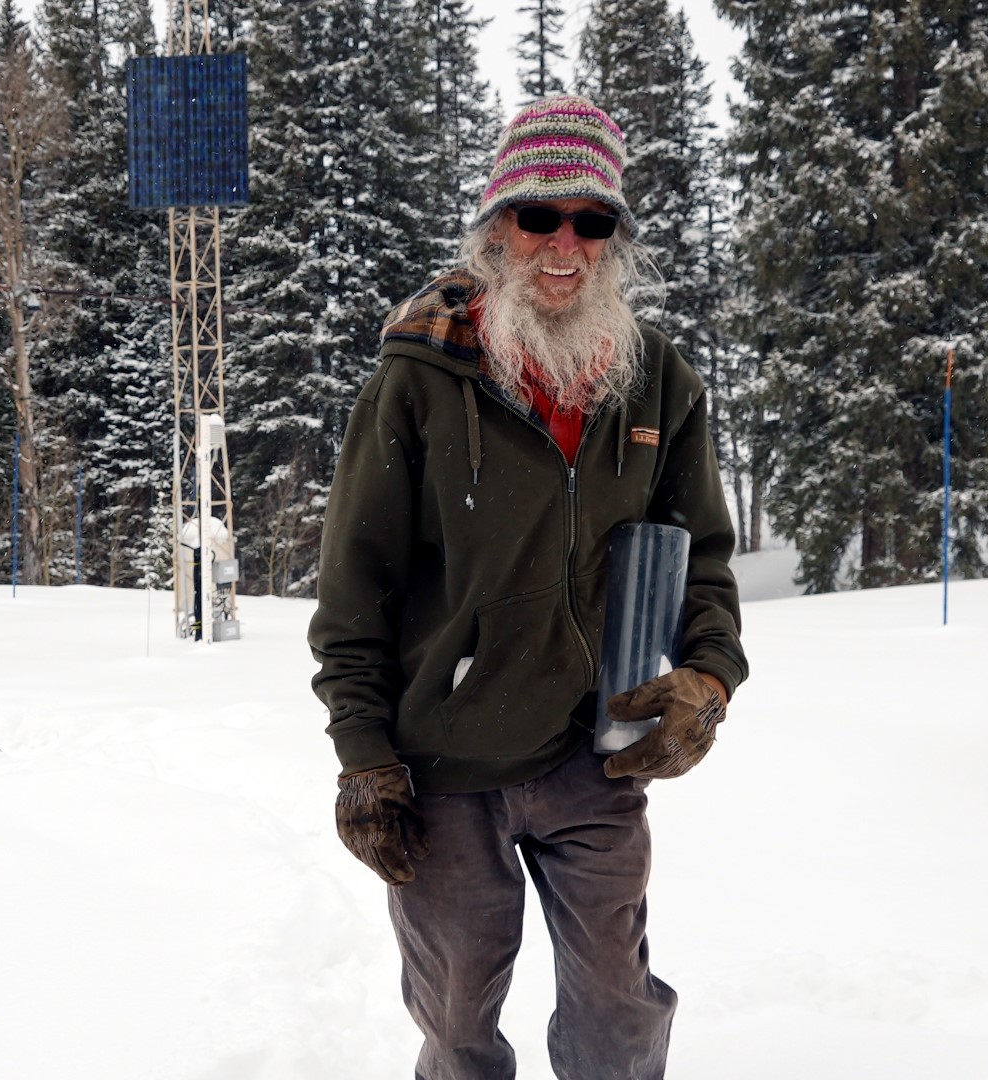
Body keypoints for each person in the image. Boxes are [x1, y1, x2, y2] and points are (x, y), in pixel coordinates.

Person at [307, 95, 749, 1080]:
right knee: (459, 1013)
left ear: (614, 238)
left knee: (616, 1004)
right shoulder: (421, 378)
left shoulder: (656, 384)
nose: (564, 244)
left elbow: (703, 563)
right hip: (445, 769)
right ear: (496, 227)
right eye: (538, 215)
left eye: (592, 220)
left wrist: (704, 683)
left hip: (595, 758)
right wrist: (366, 762)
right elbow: (354, 592)